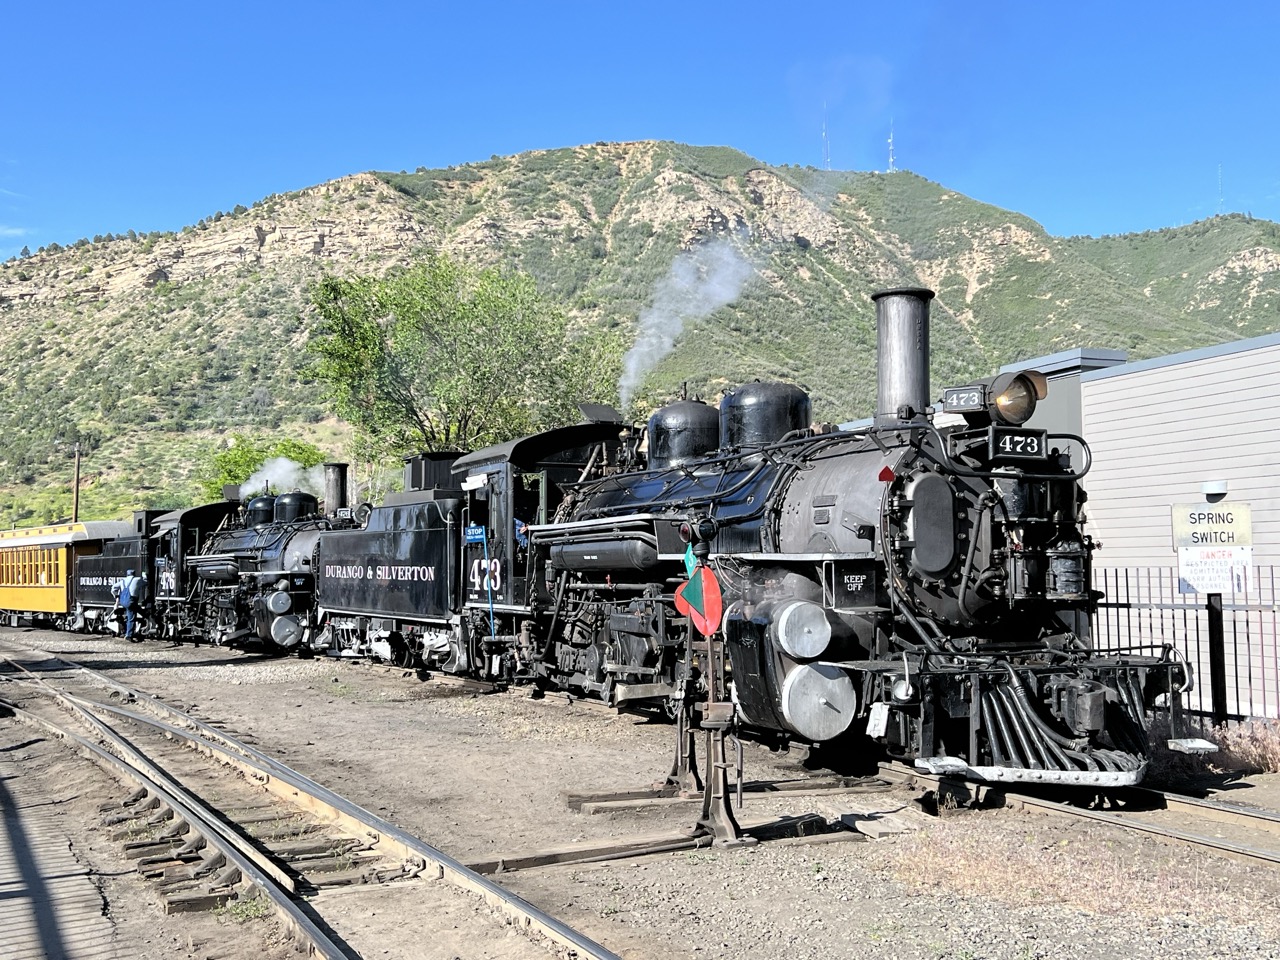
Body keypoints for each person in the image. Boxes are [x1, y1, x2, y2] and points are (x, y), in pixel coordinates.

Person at [114, 569, 146, 641]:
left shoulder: (123, 581)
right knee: (131, 618)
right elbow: (145, 582)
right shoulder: (137, 580)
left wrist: (117, 596)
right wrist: (144, 574)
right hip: (131, 601)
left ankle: (130, 630)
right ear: (134, 574)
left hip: (123, 601)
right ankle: (129, 635)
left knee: (133, 612)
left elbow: (113, 588)